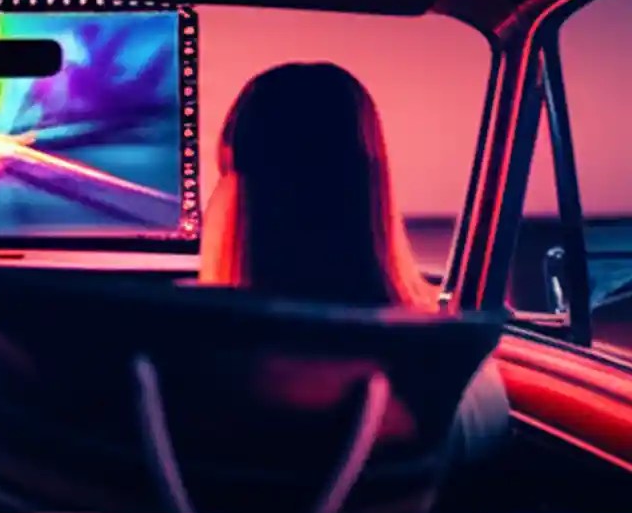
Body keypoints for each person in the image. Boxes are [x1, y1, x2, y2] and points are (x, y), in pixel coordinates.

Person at [197, 62, 509, 463]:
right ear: (372, 182)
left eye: (225, 173)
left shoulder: (196, 379)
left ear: (241, 196)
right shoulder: (462, 372)